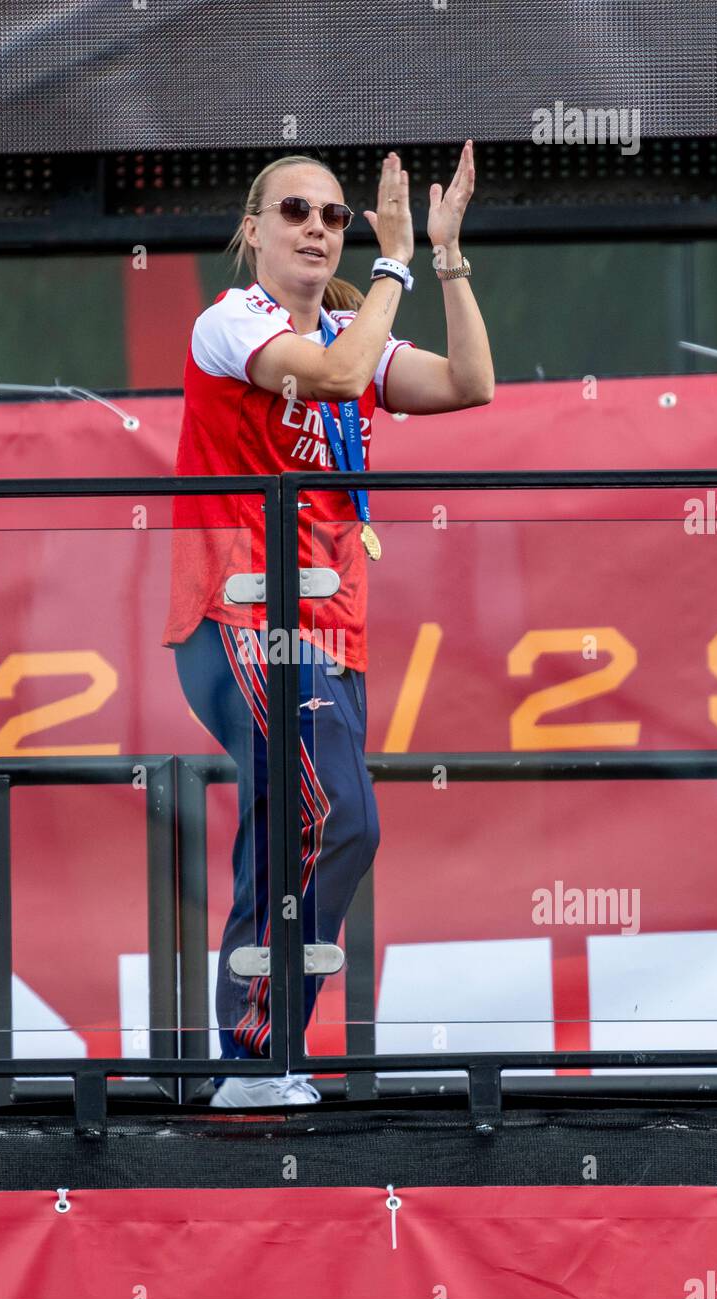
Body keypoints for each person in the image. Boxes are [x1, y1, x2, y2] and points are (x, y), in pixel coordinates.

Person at [161, 145, 494, 1107]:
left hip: (330, 625)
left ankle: (255, 1060)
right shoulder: (231, 322)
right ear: (253, 229)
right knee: (335, 816)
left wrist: (442, 256)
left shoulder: (354, 321)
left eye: (335, 215)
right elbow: (345, 375)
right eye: (297, 210)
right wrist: (388, 264)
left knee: (294, 825)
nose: (318, 227)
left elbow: (470, 383)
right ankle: (255, 1055)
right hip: (241, 618)